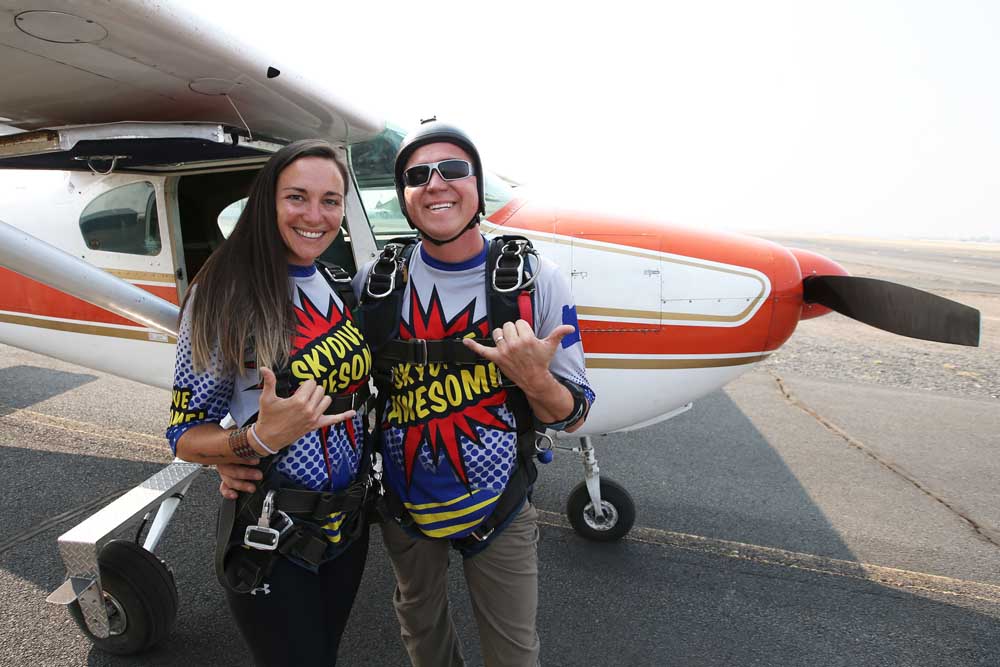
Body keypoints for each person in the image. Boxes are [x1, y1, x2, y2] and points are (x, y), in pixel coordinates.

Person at [360, 120, 594, 666]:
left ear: (477, 185)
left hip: (501, 501)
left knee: (514, 653)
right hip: (404, 501)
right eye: (417, 176)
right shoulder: (377, 280)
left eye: (453, 169)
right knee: (422, 634)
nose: (435, 184)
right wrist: (241, 447)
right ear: (404, 197)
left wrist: (535, 378)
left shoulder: (535, 279)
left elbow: (575, 414)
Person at [167, 139, 373, 666]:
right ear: (267, 202)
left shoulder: (334, 283)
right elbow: (184, 434)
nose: (315, 215)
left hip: (346, 528)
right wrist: (255, 439)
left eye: (330, 200)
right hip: (274, 533)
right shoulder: (224, 293)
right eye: (297, 197)